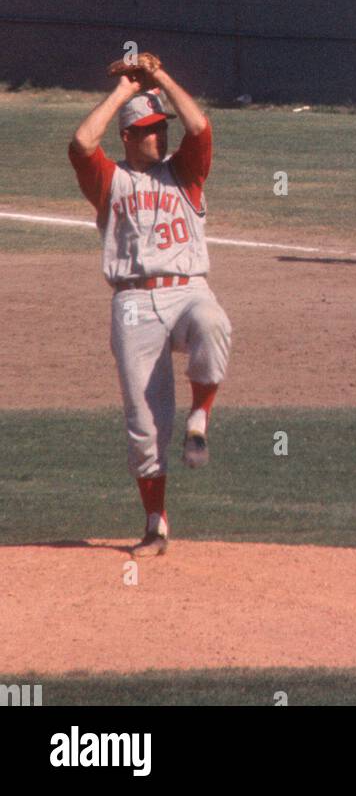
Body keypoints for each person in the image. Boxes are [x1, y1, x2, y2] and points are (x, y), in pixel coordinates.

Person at [68, 56, 232, 555]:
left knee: (213, 323)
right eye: (146, 131)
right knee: (143, 418)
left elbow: (200, 126)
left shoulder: (185, 172)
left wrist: (159, 79)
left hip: (187, 289)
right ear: (126, 136)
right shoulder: (108, 180)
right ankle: (155, 522)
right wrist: (122, 91)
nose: (157, 137)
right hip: (133, 300)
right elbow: (80, 143)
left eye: (161, 128)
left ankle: (200, 419)